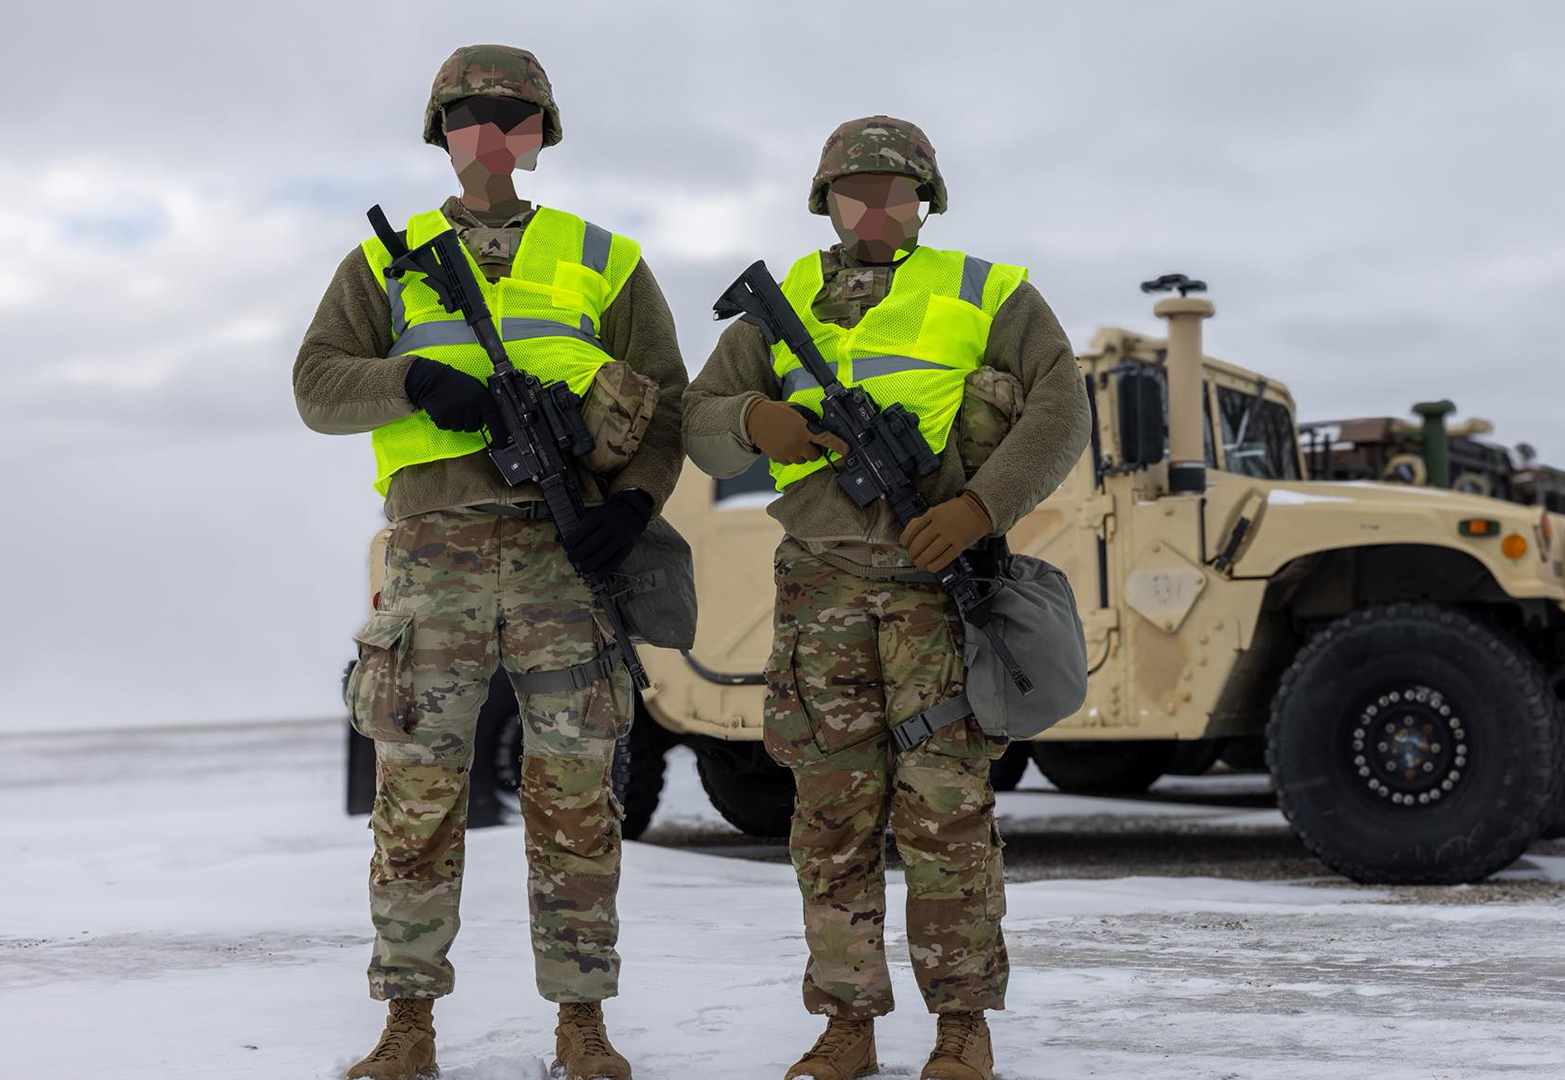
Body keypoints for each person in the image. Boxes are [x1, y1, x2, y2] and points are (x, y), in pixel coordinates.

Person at [292, 44, 685, 1080]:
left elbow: (668, 403)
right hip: (437, 557)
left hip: (566, 555)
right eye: (472, 117)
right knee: (416, 796)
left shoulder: (606, 259)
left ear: (541, 136)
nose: (493, 135)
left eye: (516, 118)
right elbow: (317, 386)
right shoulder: (384, 261)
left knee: (577, 797)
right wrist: (417, 380)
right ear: (444, 134)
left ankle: (582, 1025)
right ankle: (408, 1024)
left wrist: (636, 502)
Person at [682, 116, 1090, 1080]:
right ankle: (847, 1025)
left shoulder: (990, 291)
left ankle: (962, 1027)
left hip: (937, 591)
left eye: (896, 191)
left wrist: (982, 508)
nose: (876, 207)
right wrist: (755, 418)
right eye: (855, 190)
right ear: (825, 200)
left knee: (947, 816)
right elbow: (697, 427)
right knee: (828, 817)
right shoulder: (775, 308)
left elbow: (1061, 407)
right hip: (820, 589)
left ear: (925, 202)